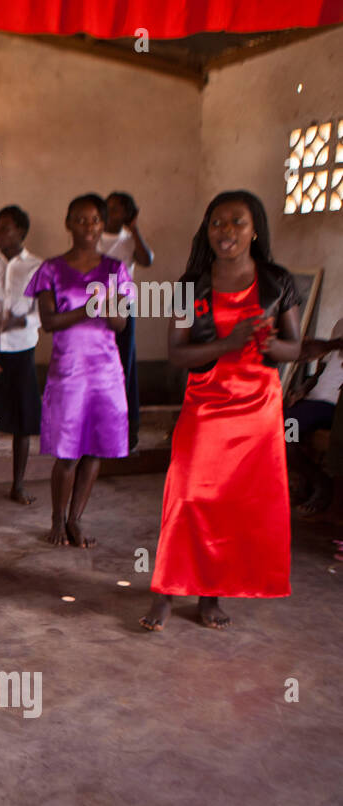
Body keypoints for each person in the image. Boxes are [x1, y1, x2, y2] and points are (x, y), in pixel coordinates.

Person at [141, 191, 302, 631]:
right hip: (207, 404)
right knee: (188, 495)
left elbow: (296, 346)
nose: (225, 231)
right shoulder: (191, 287)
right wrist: (229, 344)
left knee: (230, 504)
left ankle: (209, 594)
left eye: (236, 222)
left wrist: (268, 343)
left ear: (254, 230)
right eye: (216, 222)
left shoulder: (276, 281)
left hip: (258, 410)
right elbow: (177, 353)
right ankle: (166, 592)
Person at [26, 194, 131, 548]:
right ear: (68, 223)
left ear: (104, 225)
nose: (88, 227)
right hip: (69, 370)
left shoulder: (116, 269)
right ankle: (57, 516)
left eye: (95, 220)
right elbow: (49, 321)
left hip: (105, 371)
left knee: (96, 450)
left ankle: (76, 519)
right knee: (68, 453)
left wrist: (108, 306)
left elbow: (119, 324)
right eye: (80, 220)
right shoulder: (50, 269)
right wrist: (89, 308)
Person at [0, 205, 44, 505]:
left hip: (22, 349)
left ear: (22, 232)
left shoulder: (39, 267)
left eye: (5, 227)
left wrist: (20, 321)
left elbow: (43, 311)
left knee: (23, 421)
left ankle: (18, 484)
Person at [100, 191, 155, 451]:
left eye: (118, 209)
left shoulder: (130, 240)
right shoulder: (95, 237)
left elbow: (147, 260)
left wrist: (134, 229)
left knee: (124, 367)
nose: (111, 213)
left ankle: (128, 429)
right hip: (95, 307)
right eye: (108, 207)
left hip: (122, 307)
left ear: (127, 213)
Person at [284, 316, 343, 515]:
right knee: (283, 428)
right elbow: (323, 368)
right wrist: (302, 390)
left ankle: (321, 484)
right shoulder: (341, 323)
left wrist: (326, 345)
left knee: (284, 428)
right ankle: (308, 480)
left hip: (334, 404)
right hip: (314, 400)